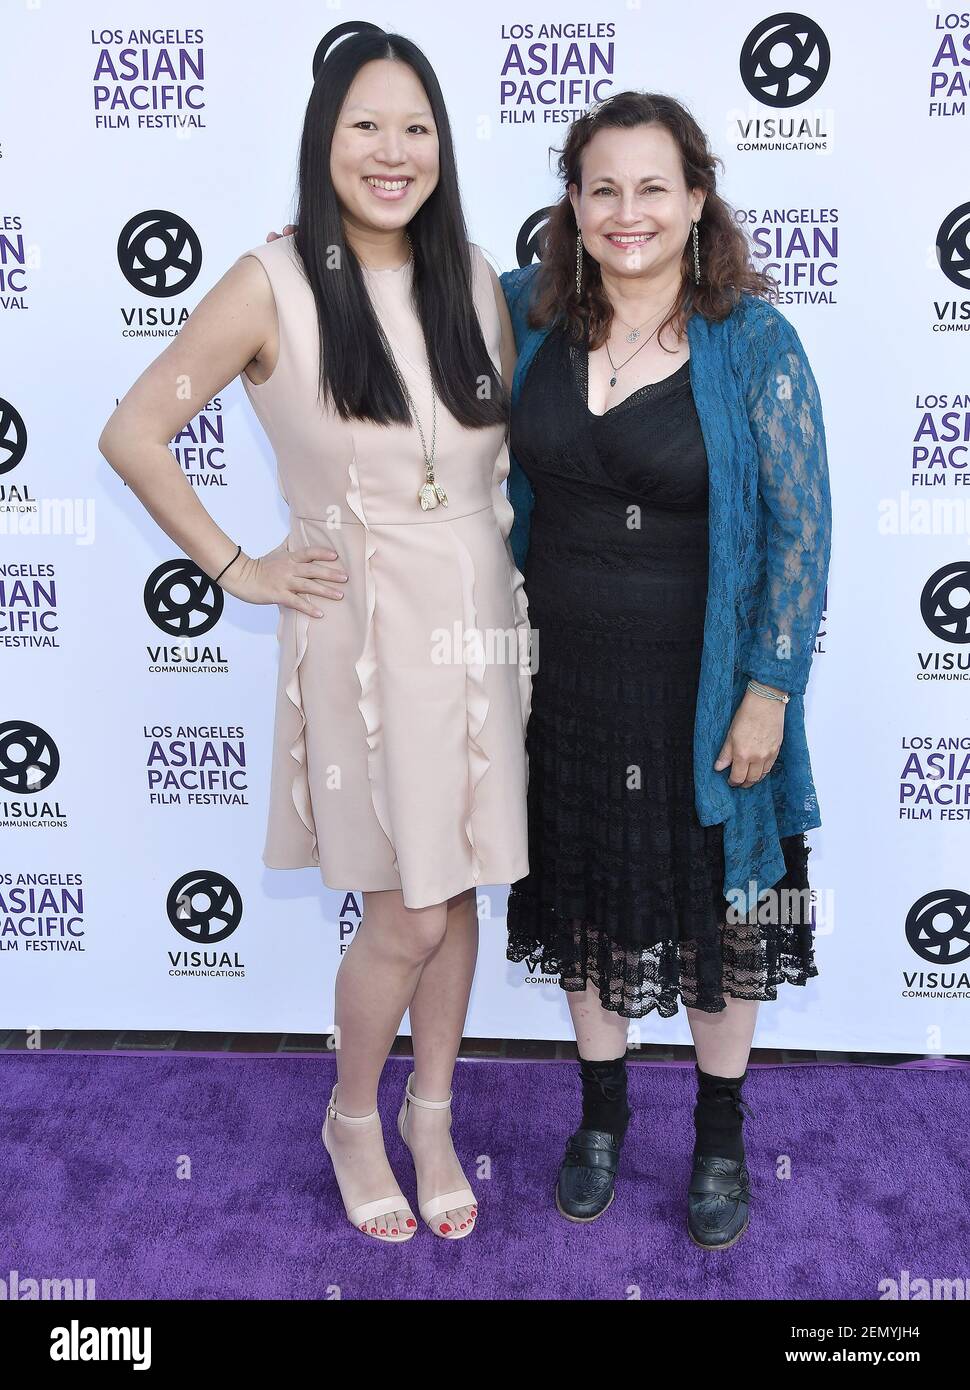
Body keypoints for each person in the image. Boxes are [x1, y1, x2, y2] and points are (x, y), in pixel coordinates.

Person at [99, 30, 531, 1245]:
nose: (393, 154)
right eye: (366, 127)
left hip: (481, 623)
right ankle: (354, 1114)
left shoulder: (473, 276)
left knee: (459, 894)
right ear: (322, 140)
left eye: (415, 129)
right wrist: (240, 565)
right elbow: (135, 432)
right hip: (359, 628)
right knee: (403, 908)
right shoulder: (268, 280)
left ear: (442, 146)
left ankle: (433, 1112)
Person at [500, 91, 832, 1249]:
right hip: (560, 690)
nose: (626, 211)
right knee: (585, 904)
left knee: (713, 921)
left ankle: (721, 1134)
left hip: (703, 694)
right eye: (602, 188)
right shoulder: (526, 315)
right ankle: (600, 1119)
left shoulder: (752, 340)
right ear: (573, 205)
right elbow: (407, 311)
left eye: (653, 186)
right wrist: (314, 262)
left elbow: (800, 527)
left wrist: (770, 688)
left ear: (697, 198)